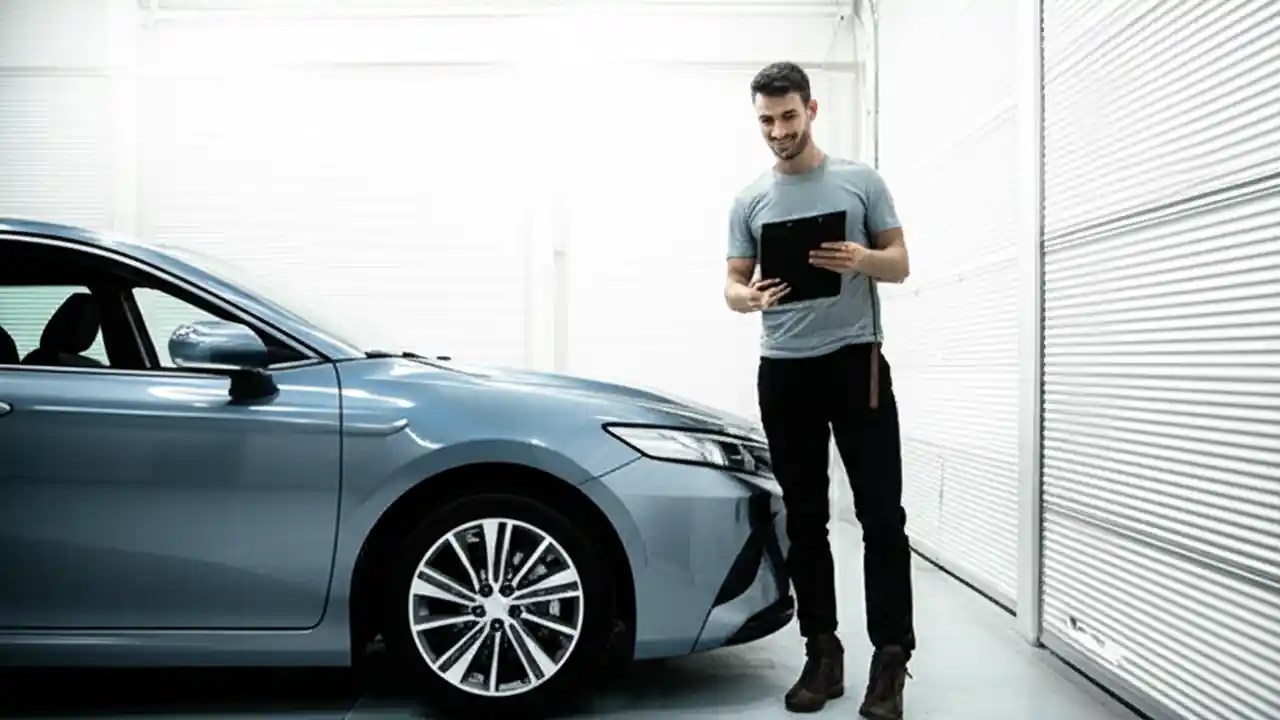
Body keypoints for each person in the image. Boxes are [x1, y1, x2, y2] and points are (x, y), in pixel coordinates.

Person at [722, 61, 916, 718]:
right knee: (805, 520)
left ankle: (890, 661)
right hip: (784, 370)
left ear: (811, 109)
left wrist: (861, 260)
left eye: (787, 117)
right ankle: (822, 652)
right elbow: (730, 283)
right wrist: (744, 298)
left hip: (855, 364)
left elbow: (900, 261)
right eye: (767, 121)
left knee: (881, 517)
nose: (778, 132)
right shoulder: (750, 200)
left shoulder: (861, 182)